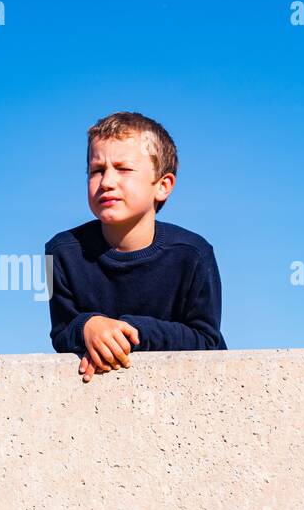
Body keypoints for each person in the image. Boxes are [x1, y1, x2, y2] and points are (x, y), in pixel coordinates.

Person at [45, 111, 227, 383]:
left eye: (124, 169)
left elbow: (207, 340)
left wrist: (129, 332)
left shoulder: (195, 254)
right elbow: (61, 332)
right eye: (96, 170)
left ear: (163, 186)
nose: (107, 182)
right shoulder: (58, 252)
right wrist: (88, 327)